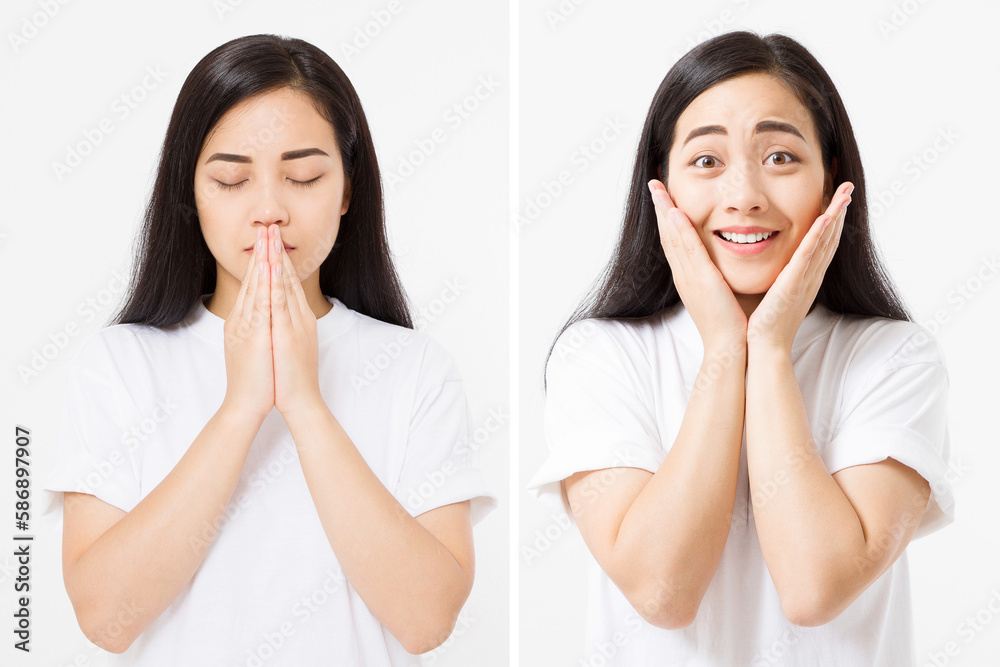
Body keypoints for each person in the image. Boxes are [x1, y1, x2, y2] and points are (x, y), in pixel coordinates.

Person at [40, 34, 495, 665]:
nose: (270, 210)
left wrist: (305, 404)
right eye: (232, 180)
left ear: (346, 190)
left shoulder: (416, 369)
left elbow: (425, 621)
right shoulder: (119, 364)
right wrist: (241, 408)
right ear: (190, 195)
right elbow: (104, 618)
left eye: (303, 176)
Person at [528, 30, 952, 666]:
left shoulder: (895, 358)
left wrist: (772, 351)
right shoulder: (599, 355)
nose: (745, 194)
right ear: (660, 189)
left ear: (832, 179)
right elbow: (663, 592)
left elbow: (815, 590)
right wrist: (727, 348)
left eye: (781, 157)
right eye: (706, 161)